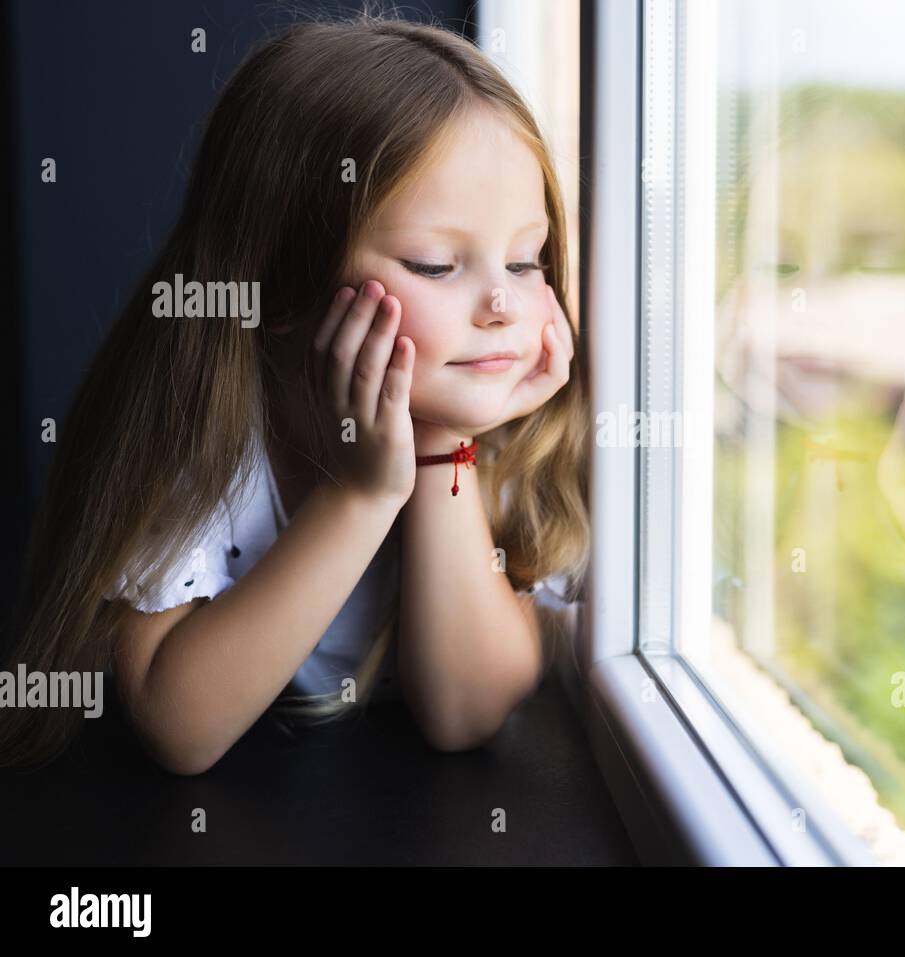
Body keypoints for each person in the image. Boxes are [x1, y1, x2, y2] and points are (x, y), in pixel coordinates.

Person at [0, 12, 590, 775]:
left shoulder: (509, 434)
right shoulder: (214, 439)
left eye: (526, 261)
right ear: (280, 285)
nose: (503, 306)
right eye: (436, 265)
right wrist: (363, 494)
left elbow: (464, 712)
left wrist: (444, 451)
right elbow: (180, 729)